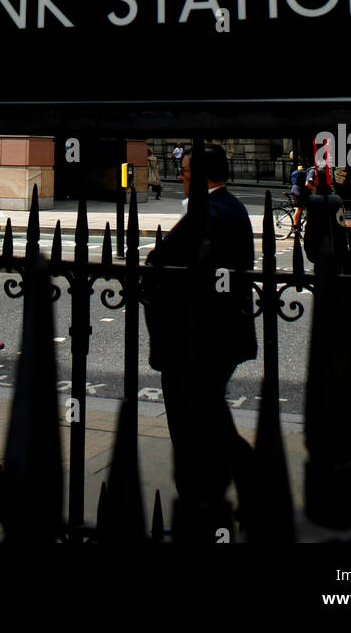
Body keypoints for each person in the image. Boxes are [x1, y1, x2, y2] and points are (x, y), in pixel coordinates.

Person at [144, 144, 257, 537]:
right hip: (218, 336)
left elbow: (162, 265)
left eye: (187, 170)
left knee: (191, 423)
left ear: (205, 174)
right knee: (210, 415)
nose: (181, 176)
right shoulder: (233, 207)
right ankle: (250, 485)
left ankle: (198, 504)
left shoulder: (207, 213)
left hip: (197, 339)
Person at [289, 162, 308, 231]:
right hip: (297, 191)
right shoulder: (306, 172)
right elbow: (307, 183)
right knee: (299, 208)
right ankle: (295, 226)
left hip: (296, 189)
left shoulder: (298, 172)